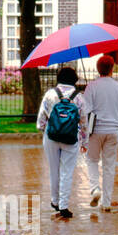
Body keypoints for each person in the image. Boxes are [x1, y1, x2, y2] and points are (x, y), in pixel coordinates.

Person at [36, 65, 87, 219]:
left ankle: (55, 201)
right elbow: (84, 122)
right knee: (67, 172)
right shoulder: (79, 97)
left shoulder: (50, 94)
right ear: (74, 80)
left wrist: (47, 129)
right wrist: (84, 142)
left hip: (51, 137)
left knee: (53, 170)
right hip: (70, 138)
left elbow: (40, 121)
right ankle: (64, 205)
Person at [80, 54, 118, 210]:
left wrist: (84, 133)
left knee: (92, 160)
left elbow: (87, 111)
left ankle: (95, 188)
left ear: (98, 69)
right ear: (112, 69)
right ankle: (107, 202)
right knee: (109, 166)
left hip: (96, 130)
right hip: (113, 130)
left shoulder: (92, 86)